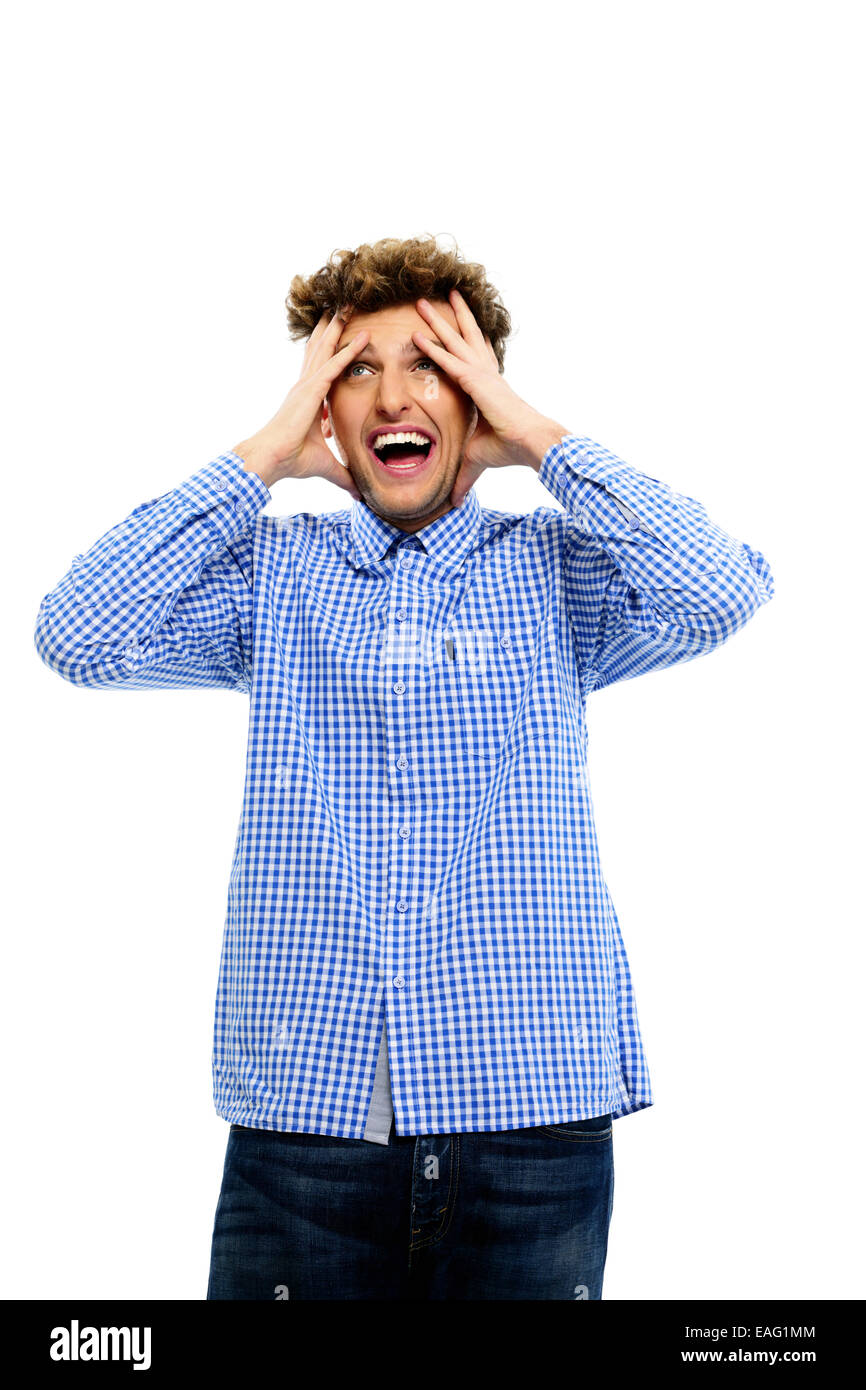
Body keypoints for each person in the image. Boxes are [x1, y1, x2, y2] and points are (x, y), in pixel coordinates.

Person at [34, 233, 774, 1301]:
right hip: (306, 1133)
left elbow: (719, 591)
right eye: (355, 371)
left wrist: (532, 436)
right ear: (322, 410)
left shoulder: (555, 572)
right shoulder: (271, 577)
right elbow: (78, 634)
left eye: (431, 363)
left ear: (474, 398)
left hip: (530, 1122)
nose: (393, 395)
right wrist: (260, 458)